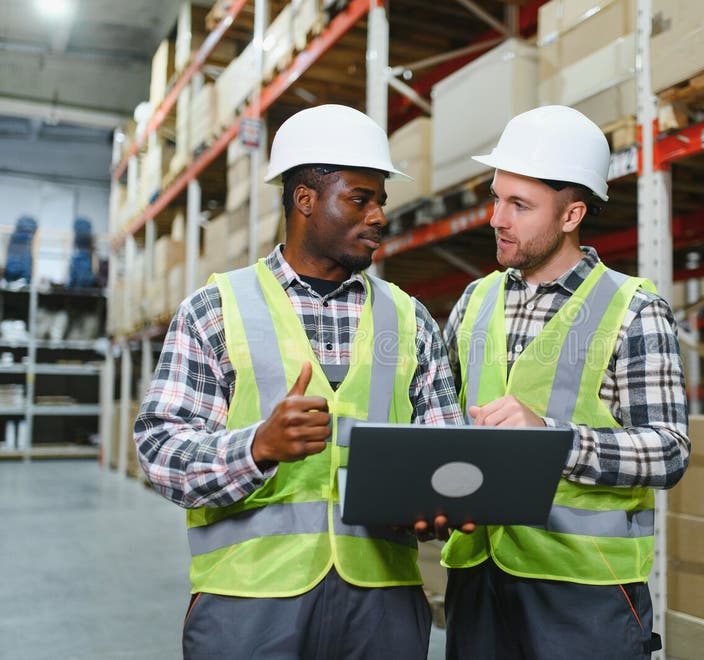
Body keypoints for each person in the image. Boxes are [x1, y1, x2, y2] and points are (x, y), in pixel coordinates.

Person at [134, 104, 465, 659]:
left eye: (381, 199)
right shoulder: (216, 309)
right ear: (305, 200)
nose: (379, 215)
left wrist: (441, 505)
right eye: (360, 198)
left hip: (381, 601)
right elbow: (160, 451)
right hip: (249, 600)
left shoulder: (409, 318)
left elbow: (445, 445)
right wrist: (258, 446)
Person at [440, 105, 691, 660]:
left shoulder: (635, 310)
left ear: (572, 214)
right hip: (477, 574)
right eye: (496, 198)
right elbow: (441, 422)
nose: (496, 219)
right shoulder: (474, 301)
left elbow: (669, 452)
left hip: (585, 588)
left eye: (519, 206)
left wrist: (553, 440)